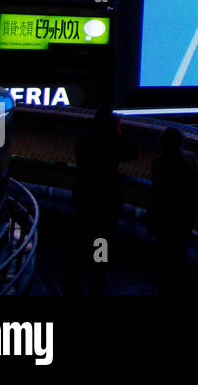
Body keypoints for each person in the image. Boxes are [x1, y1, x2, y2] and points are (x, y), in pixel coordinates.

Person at [70, 108, 138, 295]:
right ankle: (96, 284)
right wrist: (118, 134)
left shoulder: (84, 141)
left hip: (84, 201)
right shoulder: (112, 144)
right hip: (106, 206)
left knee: (81, 245)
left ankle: (74, 283)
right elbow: (132, 152)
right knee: (101, 245)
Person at [149, 126, 198, 295]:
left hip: (163, 216)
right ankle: (178, 288)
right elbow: (195, 190)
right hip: (182, 217)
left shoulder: (157, 163)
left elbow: (156, 192)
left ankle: (163, 288)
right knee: (179, 254)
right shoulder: (190, 161)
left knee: (163, 255)